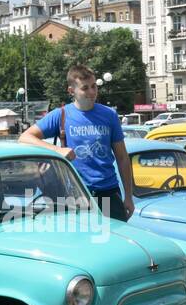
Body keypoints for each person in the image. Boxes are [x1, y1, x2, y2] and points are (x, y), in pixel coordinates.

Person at [21, 63, 134, 222]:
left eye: (94, 86)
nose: (92, 92)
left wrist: (128, 196)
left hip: (109, 192)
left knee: (116, 240)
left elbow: (122, 158)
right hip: (76, 194)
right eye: (85, 88)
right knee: (82, 242)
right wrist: (57, 150)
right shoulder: (61, 115)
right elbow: (25, 137)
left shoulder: (109, 115)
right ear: (71, 90)